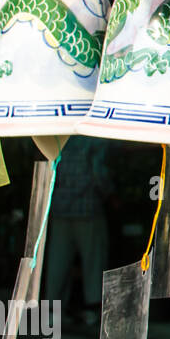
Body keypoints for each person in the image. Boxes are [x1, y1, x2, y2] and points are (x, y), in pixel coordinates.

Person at [43, 137, 112, 323]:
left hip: (59, 208)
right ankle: (92, 308)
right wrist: (109, 194)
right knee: (93, 261)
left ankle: (52, 310)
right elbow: (99, 174)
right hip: (88, 208)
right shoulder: (95, 140)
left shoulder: (59, 139)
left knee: (57, 260)